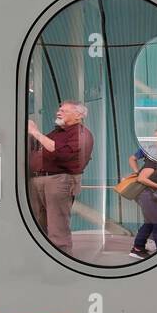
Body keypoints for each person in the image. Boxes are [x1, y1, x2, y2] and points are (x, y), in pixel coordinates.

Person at [27, 101, 94, 256]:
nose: (58, 112)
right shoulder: (58, 132)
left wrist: (35, 132)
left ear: (78, 115)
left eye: (64, 111)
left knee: (57, 227)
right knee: (37, 224)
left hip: (58, 181)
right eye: (59, 109)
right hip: (40, 179)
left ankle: (59, 265)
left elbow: (60, 153)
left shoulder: (80, 134)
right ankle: (39, 260)